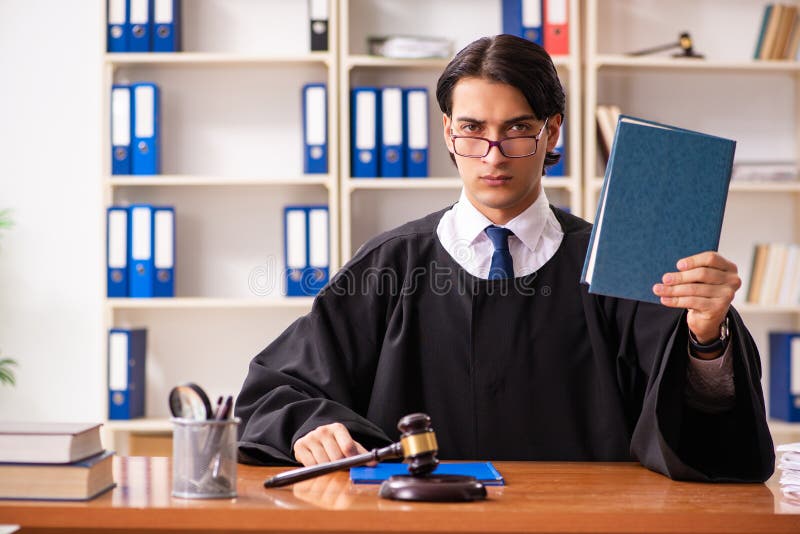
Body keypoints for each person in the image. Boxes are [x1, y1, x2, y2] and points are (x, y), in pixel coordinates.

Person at [235, 35, 774, 482]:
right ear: (448, 131)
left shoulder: (620, 264)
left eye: (517, 129)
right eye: (472, 130)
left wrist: (707, 338)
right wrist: (310, 426)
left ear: (551, 131)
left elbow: (704, 433)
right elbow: (271, 395)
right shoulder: (389, 267)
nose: (493, 155)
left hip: (584, 524)